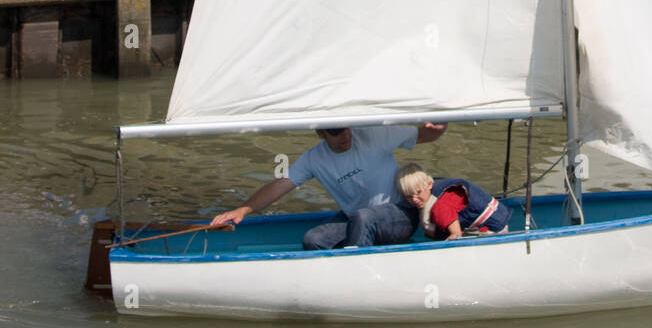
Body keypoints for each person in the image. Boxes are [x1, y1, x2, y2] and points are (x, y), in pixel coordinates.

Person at [209, 123, 447, 250]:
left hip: (400, 215)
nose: (343, 136)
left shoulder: (374, 135)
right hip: (358, 220)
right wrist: (243, 209)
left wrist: (439, 126)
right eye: (334, 132)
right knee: (313, 239)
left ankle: (354, 276)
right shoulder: (314, 159)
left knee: (364, 218)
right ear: (321, 133)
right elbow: (279, 185)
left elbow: (424, 135)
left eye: (345, 128)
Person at [397, 164, 512, 240]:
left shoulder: (440, 206)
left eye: (418, 193)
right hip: (499, 215)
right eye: (408, 196)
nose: (414, 199)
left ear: (429, 184)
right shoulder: (432, 189)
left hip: (493, 230)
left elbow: (456, 234)